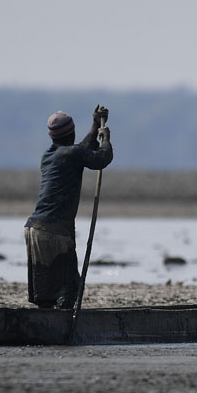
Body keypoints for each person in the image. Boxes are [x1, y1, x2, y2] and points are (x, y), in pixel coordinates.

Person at [25, 105, 113, 309]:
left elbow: (80, 150)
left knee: (45, 293)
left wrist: (94, 125)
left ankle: (46, 326)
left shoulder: (49, 156)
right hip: (55, 231)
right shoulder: (72, 154)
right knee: (70, 287)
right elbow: (101, 158)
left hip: (34, 230)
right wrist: (105, 139)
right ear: (71, 132)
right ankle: (63, 331)